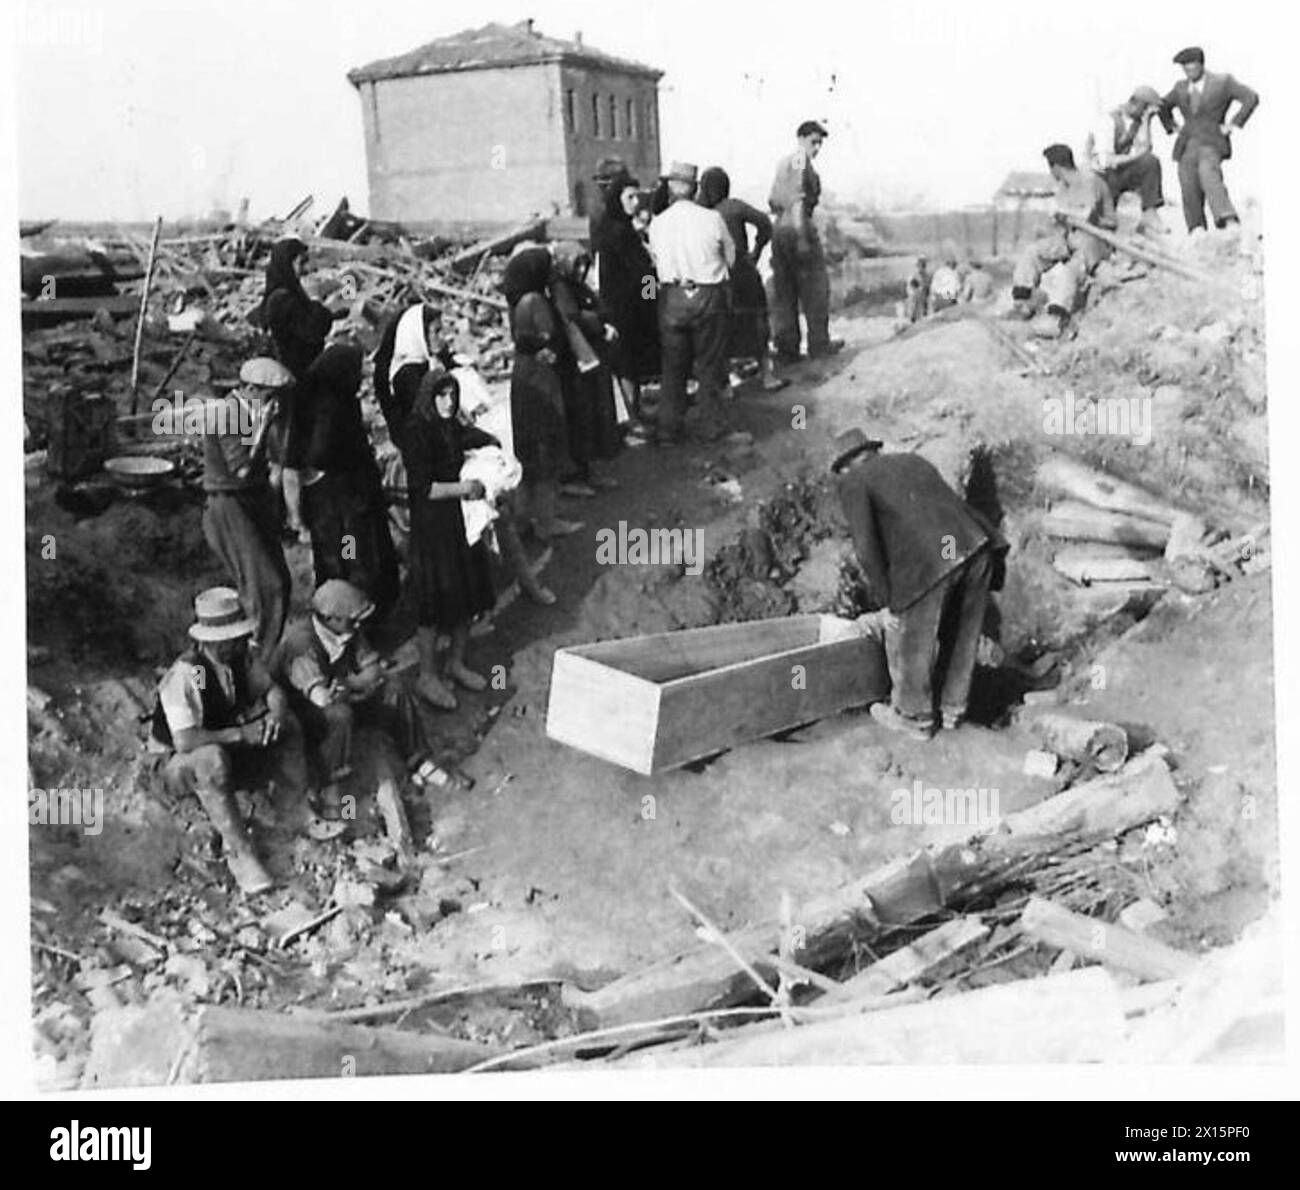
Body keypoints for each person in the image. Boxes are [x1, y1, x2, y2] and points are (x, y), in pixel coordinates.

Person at [151, 587, 336, 895]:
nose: (238, 642)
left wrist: (274, 716)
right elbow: (185, 740)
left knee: (288, 726)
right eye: (230, 638)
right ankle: (240, 852)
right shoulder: (189, 673)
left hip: (223, 745)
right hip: (176, 762)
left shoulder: (240, 657)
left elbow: (271, 690)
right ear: (210, 640)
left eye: (238, 635)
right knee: (211, 759)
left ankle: (294, 810)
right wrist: (242, 734)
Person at [832, 430, 1006, 741]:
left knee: (912, 637)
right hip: (975, 545)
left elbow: (867, 547)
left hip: (931, 561)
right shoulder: (912, 460)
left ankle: (914, 718)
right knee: (962, 633)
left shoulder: (854, 481)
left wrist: (887, 600)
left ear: (845, 466)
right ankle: (953, 709)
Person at [270, 580, 425, 848]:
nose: (357, 626)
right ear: (330, 618)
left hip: (343, 694)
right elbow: (319, 696)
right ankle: (331, 790)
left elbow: (373, 670)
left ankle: (419, 757)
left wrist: (351, 684)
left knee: (394, 689)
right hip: (302, 715)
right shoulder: (300, 642)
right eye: (351, 620)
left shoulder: (348, 631)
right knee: (338, 715)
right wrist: (344, 689)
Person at [399, 370, 496, 711]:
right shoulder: (416, 432)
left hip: (459, 524)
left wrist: (490, 443)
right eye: (441, 395)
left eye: (452, 395)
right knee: (433, 601)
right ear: (429, 397)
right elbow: (425, 487)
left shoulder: (450, 426)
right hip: (432, 527)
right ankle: (427, 674)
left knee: (467, 594)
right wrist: (465, 489)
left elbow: (466, 436)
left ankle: (455, 661)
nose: (449, 402)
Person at [295, 344, 400, 620]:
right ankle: (358, 622)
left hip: (344, 503)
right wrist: (353, 456)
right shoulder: (330, 409)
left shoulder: (324, 399)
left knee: (347, 560)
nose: (362, 374)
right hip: (345, 511)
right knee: (353, 560)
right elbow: (321, 452)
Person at [200, 358, 293, 653]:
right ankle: (256, 661)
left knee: (280, 583)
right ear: (251, 389)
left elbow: (278, 461)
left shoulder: (255, 410)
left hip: (254, 500)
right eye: (269, 395)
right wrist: (264, 427)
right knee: (266, 587)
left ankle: (265, 653)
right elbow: (241, 470)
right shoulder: (229, 414)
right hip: (228, 505)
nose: (274, 403)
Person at [646, 161, 736, 444]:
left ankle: (668, 430)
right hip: (708, 294)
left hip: (672, 296)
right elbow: (730, 255)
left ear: (671, 188)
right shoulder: (711, 218)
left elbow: (655, 262)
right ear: (695, 189)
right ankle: (711, 427)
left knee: (673, 366)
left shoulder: (657, 224)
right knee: (709, 363)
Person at [501, 244, 585, 540]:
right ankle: (548, 522)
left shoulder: (515, 303)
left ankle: (523, 519)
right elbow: (551, 340)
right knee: (547, 451)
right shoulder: (536, 301)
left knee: (529, 456)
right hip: (542, 379)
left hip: (522, 378)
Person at [697, 166, 787, 393]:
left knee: (722, 329)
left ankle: (726, 385)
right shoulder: (734, 207)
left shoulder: (701, 212)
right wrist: (756, 251)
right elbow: (765, 224)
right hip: (744, 272)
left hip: (717, 277)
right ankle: (767, 376)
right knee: (757, 322)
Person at [1010, 144, 1116, 336]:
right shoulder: (1063, 190)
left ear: (1056, 167)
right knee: (1033, 252)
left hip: (1097, 237)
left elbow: (1086, 214)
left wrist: (1061, 212)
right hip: (1071, 236)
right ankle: (1023, 302)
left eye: (1051, 168)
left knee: (1071, 270)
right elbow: (1061, 223)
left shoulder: (1090, 181)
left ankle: (1057, 318)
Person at [548, 242, 622, 497]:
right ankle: (576, 476)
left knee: (591, 415)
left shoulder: (576, 286)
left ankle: (588, 471)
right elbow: (573, 316)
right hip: (577, 362)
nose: (581, 270)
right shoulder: (561, 287)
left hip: (589, 358)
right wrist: (600, 324)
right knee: (581, 417)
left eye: (584, 264)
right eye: (576, 264)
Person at [1160, 47, 1259, 233]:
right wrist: (1172, 127)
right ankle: (1196, 228)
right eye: (1185, 69)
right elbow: (1162, 107)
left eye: (1192, 67)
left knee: (1208, 171)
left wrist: (1233, 125)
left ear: (1201, 64)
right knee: (1187, 180)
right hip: (1187, 143)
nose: (1188, 72)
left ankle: (1227, 219)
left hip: (1212, 140)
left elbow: (1250, 98)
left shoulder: (1222, 82)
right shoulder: (1180, 87)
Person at [591, 168, 661, 427]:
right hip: (623, 307)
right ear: (617, 199)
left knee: (632, 361)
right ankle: (632, 418)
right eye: (629, 198)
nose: (635, 203)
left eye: (636, 197)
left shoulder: (619, 227)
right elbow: (641, 272)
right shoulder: (617, 231)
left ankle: (637, 411)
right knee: (627, 364)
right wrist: (652, 297)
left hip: (629, 304)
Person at [768, 120, 842, 362]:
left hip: (779, 231)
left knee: (785, 290)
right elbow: (799, 201)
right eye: (813, 142)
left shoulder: (781, 164)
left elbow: (772, 201)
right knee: (815, 289)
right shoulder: (800, 161)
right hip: (797, 228)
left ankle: (787, 349)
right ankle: (818, 344)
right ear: (800, 139)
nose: (817, 147)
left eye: (820, 143)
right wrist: (801, 236)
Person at [1084, 87, 1174, 235]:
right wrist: (1135, 157)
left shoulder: (1137, 123)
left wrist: (1146, 122)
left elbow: (1145, 150)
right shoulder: (1107, 120)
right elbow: (1104, 161)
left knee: (1150, 162)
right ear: (1135, 104)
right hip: (1100, 176)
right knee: (1100, 223)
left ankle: (1149, 213)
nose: (1146, 114)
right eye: (1145, 110)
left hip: (1119, 172)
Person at [905, 255, 931, 322]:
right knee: (914, 303)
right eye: (921, 264)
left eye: (924, 264)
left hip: (921, 294)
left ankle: (923, 315)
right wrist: (919, 288)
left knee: (924, 302)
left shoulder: (926, 275)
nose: (923, 265)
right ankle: (912, 318)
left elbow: (927, 287)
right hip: (914, 293)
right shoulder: (914, 275)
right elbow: (912, 285)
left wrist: (925, 291)